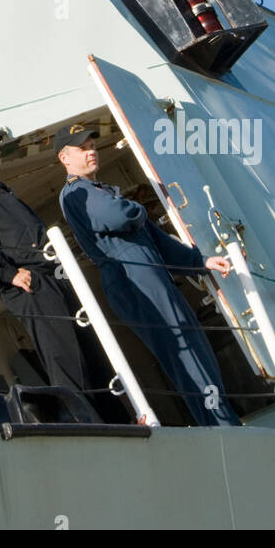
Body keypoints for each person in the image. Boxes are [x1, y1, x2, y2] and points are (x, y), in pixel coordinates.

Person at [57, 138, 241, 426]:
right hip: (131, 278)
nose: (91, 151)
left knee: (193, 346)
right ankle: (219, 425)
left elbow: (154, 236)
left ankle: (223, 420)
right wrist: (137, 208)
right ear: (64, 158)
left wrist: (199, 261)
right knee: (182, 351)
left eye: (93, 145)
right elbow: (118, 215)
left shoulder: (99, 190)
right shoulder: (77, 192)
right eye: (82, 148)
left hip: (148, 273)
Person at [0, 123, 101, 416]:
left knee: (87, 354)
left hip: (51, 280)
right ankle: (89, 424)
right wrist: (8, 274)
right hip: (31, 286)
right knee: (66, 359)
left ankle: (113, 418)